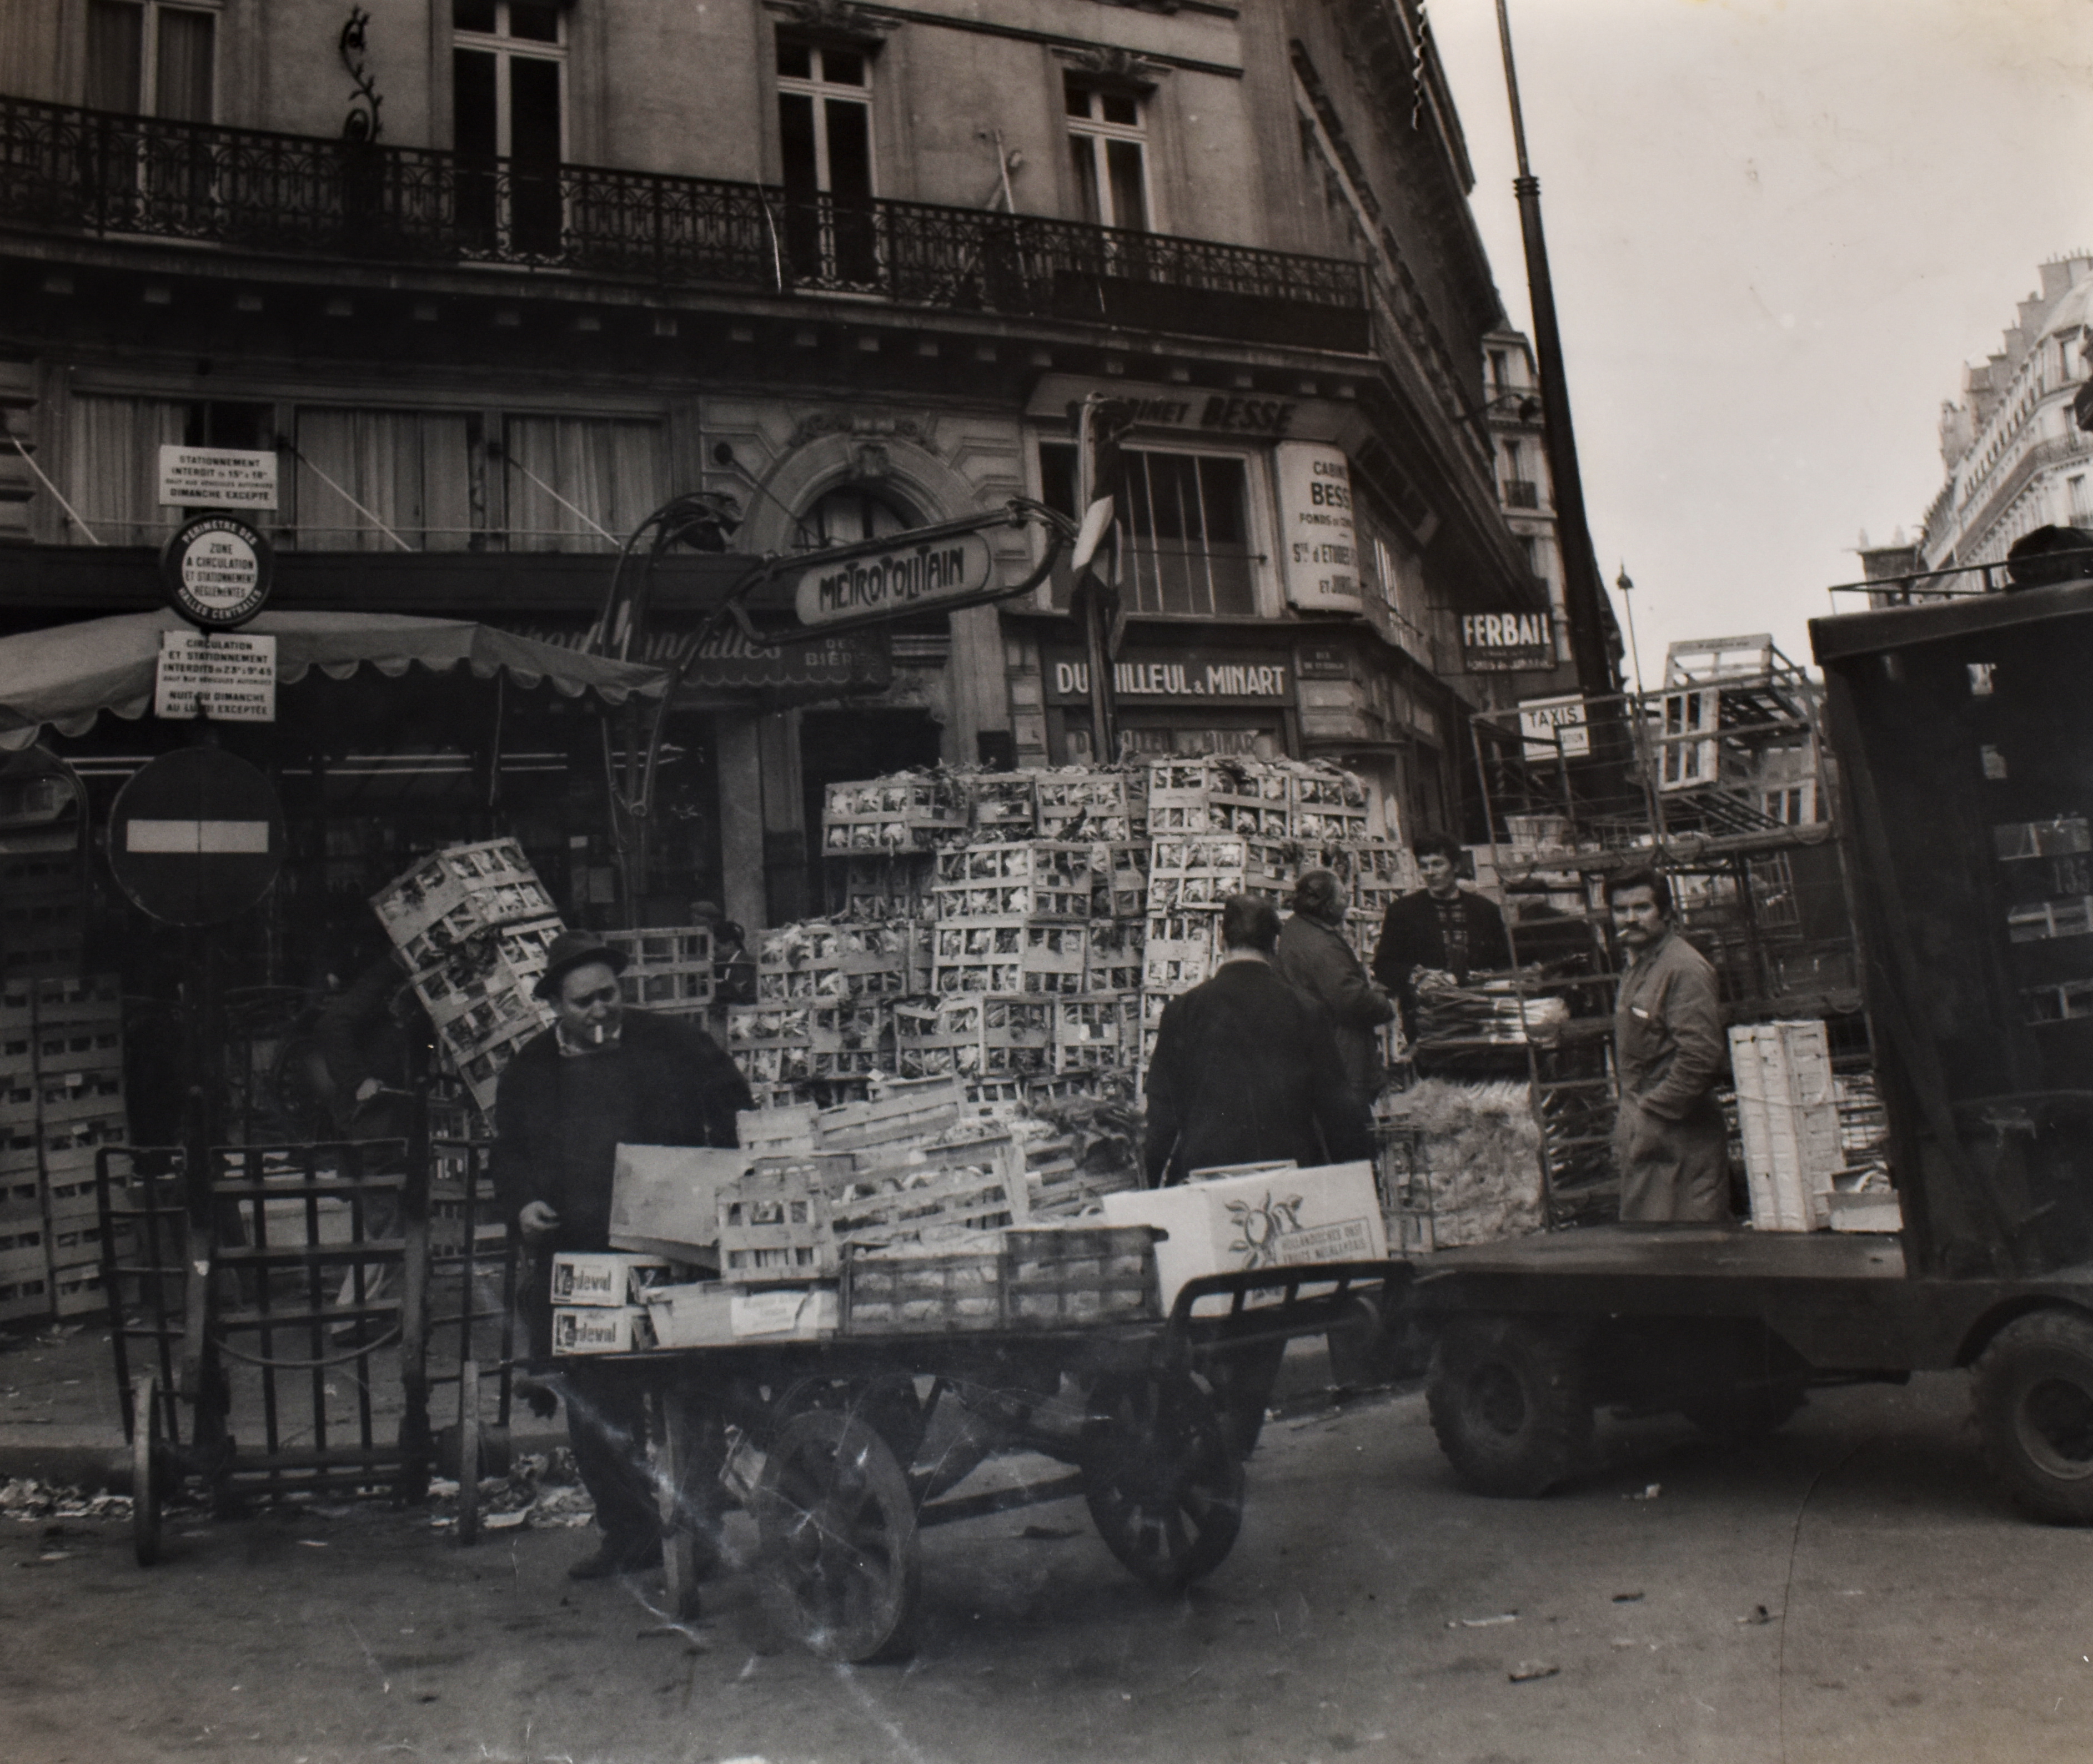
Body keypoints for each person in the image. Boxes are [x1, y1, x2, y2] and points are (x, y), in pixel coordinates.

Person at [493, 929, 754, 1580]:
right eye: (582, 1002)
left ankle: (699, 1534)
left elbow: (735, 1108)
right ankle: (628, 1534)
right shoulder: (529, 1070)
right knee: (595, 1400)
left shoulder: (673, 1043)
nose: (600, 1010)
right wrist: (524, 1204)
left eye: (608, 995)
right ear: (556, 1005)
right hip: (579, 1253)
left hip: (670, 1244)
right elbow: (509, 1153)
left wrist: (717, 1179)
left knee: (690, 1389)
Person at [1143, 894, 1373, 1188]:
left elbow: (1161, 1114)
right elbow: (1338, 1112)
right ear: (1274, 945)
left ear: (1221, 941)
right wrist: (1358, 1187)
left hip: (1204, 1178)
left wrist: (1148, 1184)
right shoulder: (1306, 1010)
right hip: (1291, 1180)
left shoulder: (1182, 1011)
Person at [1608, 866, 1731, 1223]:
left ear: (1666, 913)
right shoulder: (1638, 966)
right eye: (1620, 910)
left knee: (1686, 1243)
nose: (1630, 918)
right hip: (1650, 1139)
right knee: (1649, 1242)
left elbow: (1701, 1058)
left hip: (1681, 1141)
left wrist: (1650, 1114)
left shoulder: (1684, 968)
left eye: (1642, 907)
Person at [1370, 831, 1513, 1044]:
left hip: (1482, 1014)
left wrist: (1486, 977)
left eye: (1437, 864)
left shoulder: (1485, 911)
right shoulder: (1403, 912)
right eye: (1424, 866)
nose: (1430, 873)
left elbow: (1505, 962)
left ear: (1455, 866)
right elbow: (1383, 965)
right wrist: (1417, 977)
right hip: (1427, 1020)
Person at [1273, 868, 1396, 1106]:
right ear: (1328, 906)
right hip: (1341, 1054)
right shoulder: (1322, 945)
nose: (1347, 902)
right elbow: (1350, 1000)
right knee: (1348, 1118)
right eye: (1343, 897)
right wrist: (1384, 1003)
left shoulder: (1297, 928)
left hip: (1318, 1049)